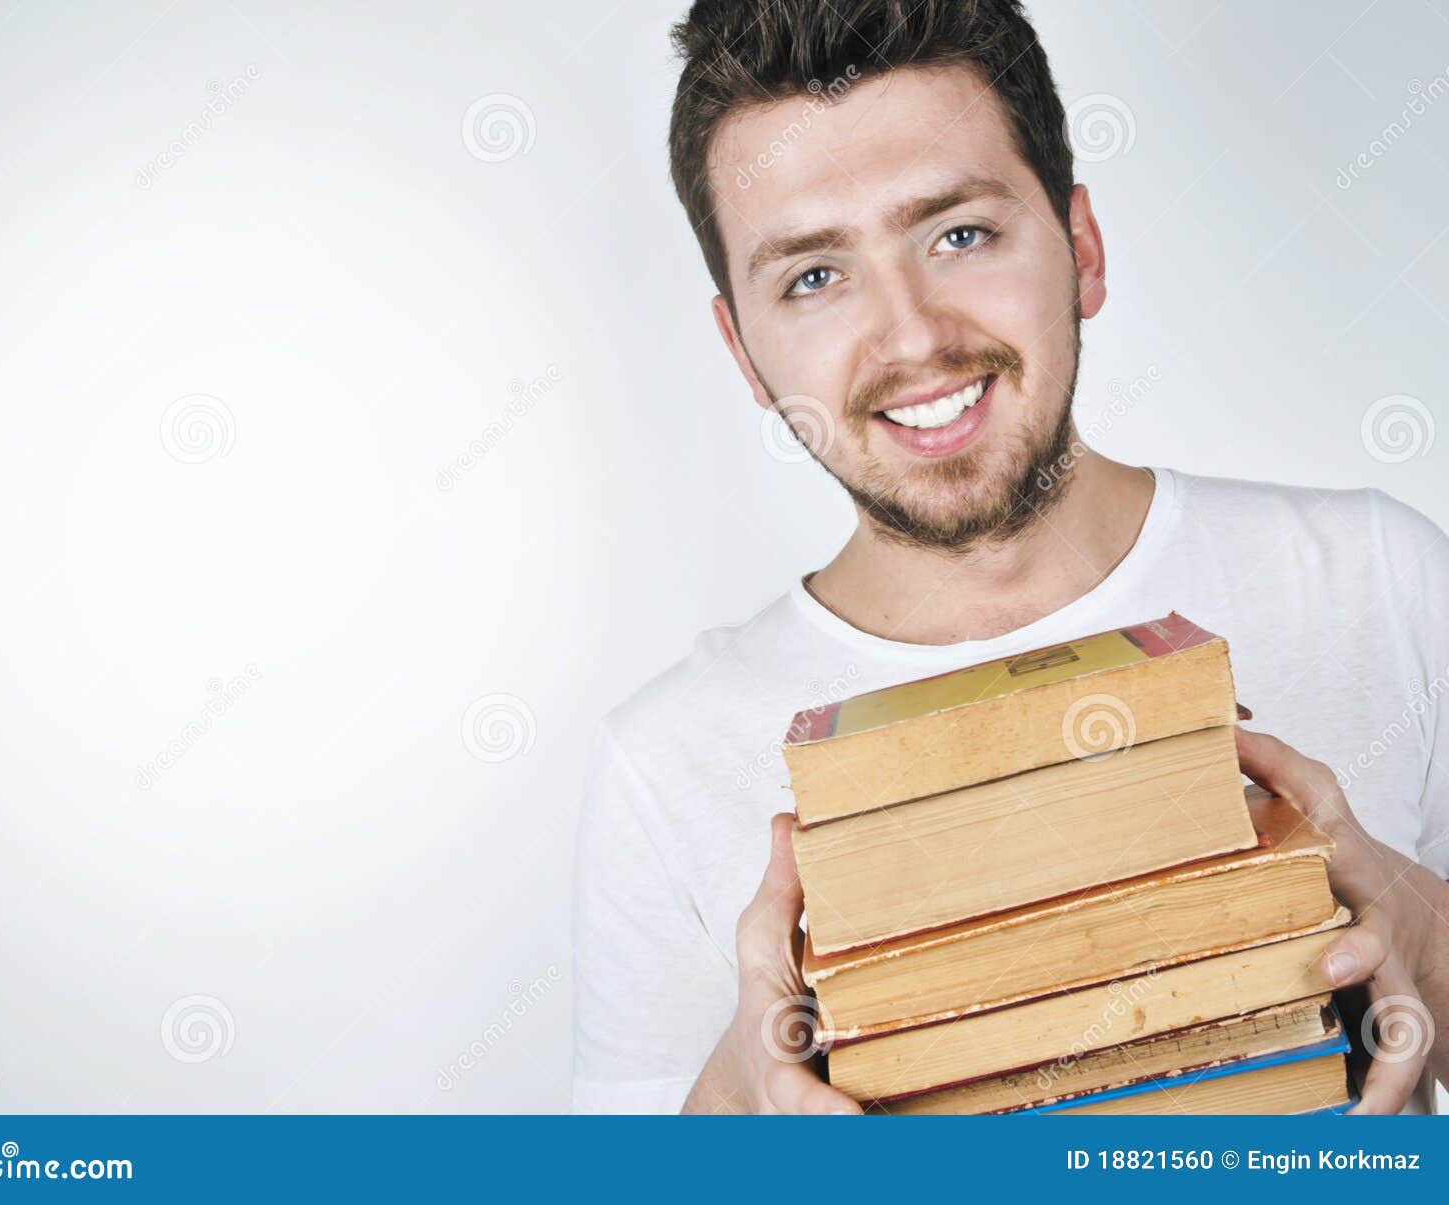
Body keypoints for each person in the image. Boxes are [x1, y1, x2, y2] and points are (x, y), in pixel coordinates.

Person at [571, 0, 1449, 1115]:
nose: (912, 336)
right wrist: (748, 1087)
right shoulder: (660, 763)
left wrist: (1422, 932)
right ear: (743, 352)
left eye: (958, 235)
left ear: (1080, 250)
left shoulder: (1377, 577)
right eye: (812, 276)